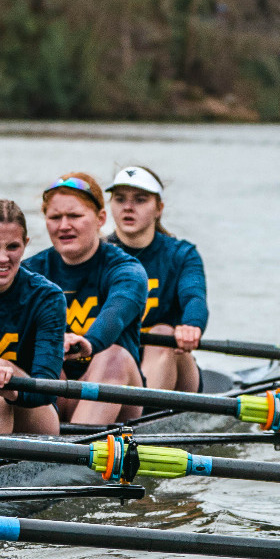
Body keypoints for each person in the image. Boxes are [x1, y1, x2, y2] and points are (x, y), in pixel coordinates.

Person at [24, 172, 150, 426]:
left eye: (75, 216)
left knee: (113, 356)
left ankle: (78, 453)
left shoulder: (127, 270)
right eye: (55, 217)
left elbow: (117, 312)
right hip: (54, 391)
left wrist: (89, 342)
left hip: (117, 392)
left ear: (100, 219)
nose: (64, 226)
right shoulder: (29, 271)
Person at [0, 199, 67, 437]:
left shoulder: (47, 297)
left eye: (12, 247)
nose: (2, 257)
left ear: (25, 245)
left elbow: (49, 387)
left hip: (35, 411)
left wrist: (10, 390)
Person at [107, 165, 209, 393]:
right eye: (120, 199)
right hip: (115, 365)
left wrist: (191, 325)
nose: (128, 208)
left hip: (174, 365)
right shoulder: (96, 254)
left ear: (159, 208)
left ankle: (140, 419)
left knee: (163, 333)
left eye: (140, 200)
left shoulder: (181, 255)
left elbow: (194, 297)